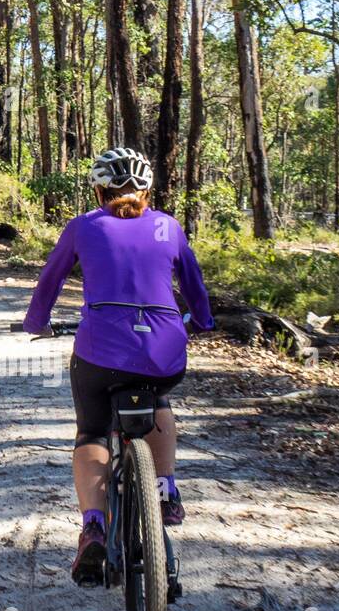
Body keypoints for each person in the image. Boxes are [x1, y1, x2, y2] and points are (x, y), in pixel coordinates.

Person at [21, 146, 215, 586]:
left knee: (92, 430)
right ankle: (163, 490)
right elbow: (194, 283)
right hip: (165, 352)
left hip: (100, 353)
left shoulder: (85, 226)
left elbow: (50, 277)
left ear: (98, 189)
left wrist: (38, 321)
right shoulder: (169, 226)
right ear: (147, 190)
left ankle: (93, 525)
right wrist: (202, 321)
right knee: (159, 398)